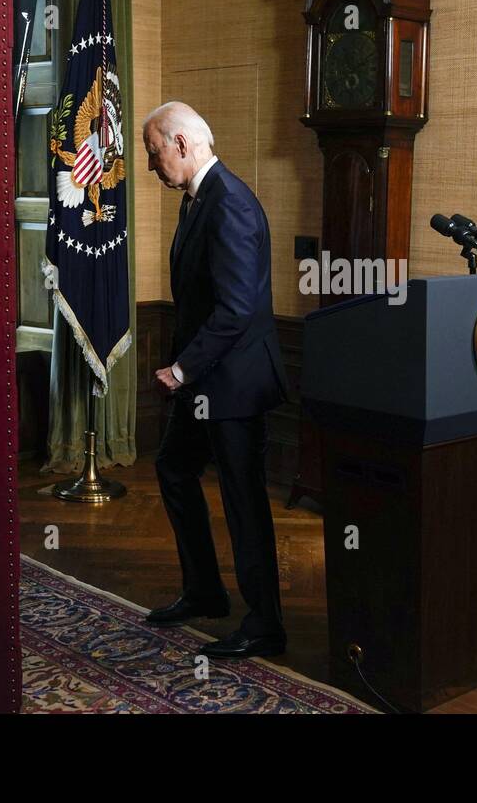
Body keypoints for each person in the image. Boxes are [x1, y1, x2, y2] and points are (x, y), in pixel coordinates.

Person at [142, 100, 289, 659]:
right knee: (174, 469)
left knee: (242, 500)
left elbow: (234, 310)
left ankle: (266, 624)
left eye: (155, 153)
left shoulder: (231, 205)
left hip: (234, 384)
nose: (154, 165)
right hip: (204, 379)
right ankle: (205, 591)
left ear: (181, 144)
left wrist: (179, 369)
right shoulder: (196, 200)